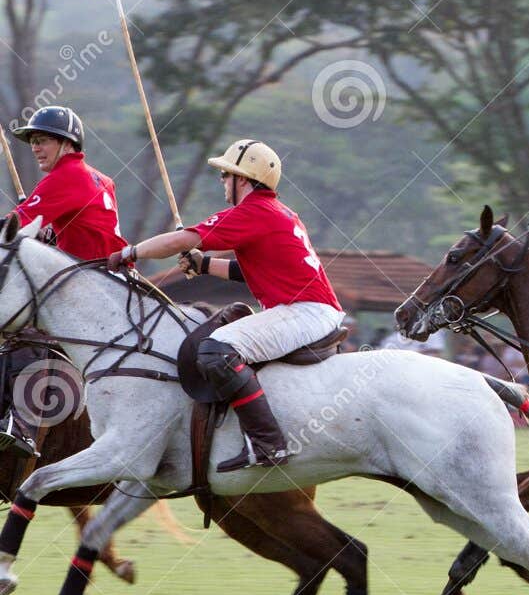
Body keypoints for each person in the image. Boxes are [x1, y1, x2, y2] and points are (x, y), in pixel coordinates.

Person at [106, 139, 344, 472]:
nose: (222, 182)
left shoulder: (253, 211)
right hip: (310, 309)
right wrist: (203, 265)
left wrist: (130, 253)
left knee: (217, 351)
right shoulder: (277, 212)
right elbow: (248, 273)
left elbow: (182, 239)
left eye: (225, 175)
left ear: (242, 179)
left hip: (304, 311)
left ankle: (268, 444)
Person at [0, 107, 125, 457]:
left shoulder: (66, 176)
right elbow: (73, 233)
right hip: (113, 282)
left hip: (89, 285)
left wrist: (24, 216)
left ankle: (20, 425)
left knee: (22, 333)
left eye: (43, 140)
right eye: (33, 142)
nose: (36, 148)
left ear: (67, 143)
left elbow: (9, 229)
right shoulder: (99, 178)